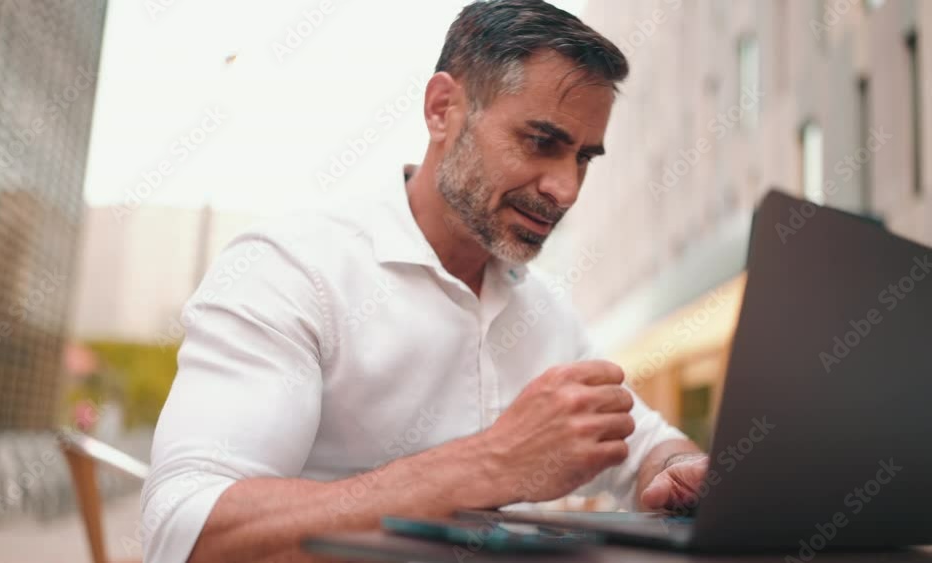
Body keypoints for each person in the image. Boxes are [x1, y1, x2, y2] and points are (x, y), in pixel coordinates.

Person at [142, 1, 709, 561]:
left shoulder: (544, 313)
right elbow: (188, 529)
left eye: (583, 158)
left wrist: (677, 472)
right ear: (443, 110)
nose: (566, 189)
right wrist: (491, 463)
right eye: (542, 142)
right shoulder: (292, 270)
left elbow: (650, 447)